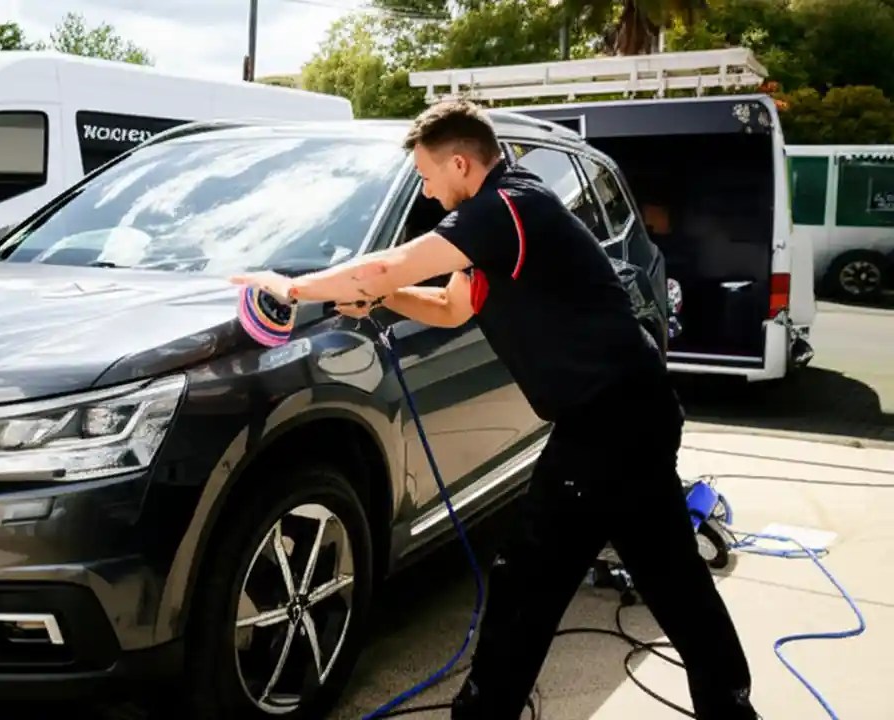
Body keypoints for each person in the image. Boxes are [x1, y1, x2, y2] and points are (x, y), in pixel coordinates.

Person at [229, 99, 758, 720]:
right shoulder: (504, 214)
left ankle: (485, 710)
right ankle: (729, 705)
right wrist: (385, 299)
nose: (426, 191)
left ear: (460, 163)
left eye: (427, 175)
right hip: (625, 415)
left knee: (529, 576)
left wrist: (290, 287)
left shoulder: (505, 208)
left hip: (607, 425)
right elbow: (454, 307)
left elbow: (385, 263)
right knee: (668, 570)